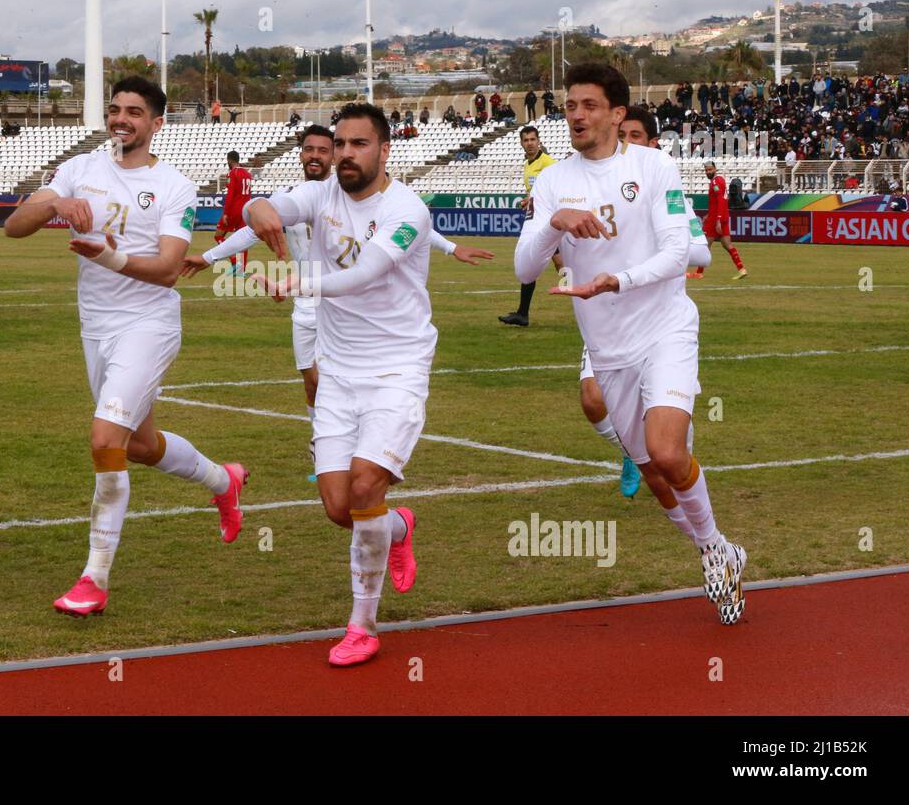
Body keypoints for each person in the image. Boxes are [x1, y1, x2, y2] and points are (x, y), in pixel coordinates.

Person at [3, 76, 247, 617]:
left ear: (156, 124)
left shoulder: (175, 186)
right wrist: (56, 203)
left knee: (104, 438)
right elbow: (13, 227)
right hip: (96, 327)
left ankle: (94, 577)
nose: (121, 120)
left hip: (148, 325)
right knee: (139, 444)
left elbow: (166, 271)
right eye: (115, 110)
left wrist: (109, 258)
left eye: (134, 112)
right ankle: (222, 480)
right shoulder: (80, 169)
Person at [517, 62, 747, 625]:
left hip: (665, 327)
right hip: (606, 348)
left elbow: (679, 253)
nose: (576, 114)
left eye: (589, 105)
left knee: (669, 451)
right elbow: (524, 264)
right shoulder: (551, 182)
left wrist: (616, 279)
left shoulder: (654, 165)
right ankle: (714, 552)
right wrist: (556, 223)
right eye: (570, 105)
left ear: (618, 115)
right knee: (652, 472)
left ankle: (716, 547)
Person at [244, 102, 435, 666]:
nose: (347, 154)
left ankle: (362, 625)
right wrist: (258, 208)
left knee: (363, 488)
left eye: (359, 144)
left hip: (397, 368)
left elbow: (365, 273)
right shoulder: (321, 193)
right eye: (341, 144)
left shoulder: (407, 209)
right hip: (338, 372)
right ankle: (398, 529)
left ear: (383, 149)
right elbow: (273, 204)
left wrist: (297, 282)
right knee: (337, 506)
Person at [186, 126, 490, 469]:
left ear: (334, 156)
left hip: (344, 302)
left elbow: (416, 225)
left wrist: (451, 247)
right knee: (311, 381)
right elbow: (252, 226)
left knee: (335, 378)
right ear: (300, 154)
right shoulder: (298, 197)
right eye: (309, 149)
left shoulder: (359, 198)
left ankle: (361, 446)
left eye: (323, 150)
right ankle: (326, 445)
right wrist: (212, 253)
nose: (315, 156)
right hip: (306, 303)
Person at [578, 106, 712, 502]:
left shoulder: (665, 191)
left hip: (655, 318)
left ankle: (670, 468)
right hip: (607, 318)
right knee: (591, 399)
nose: (626, 144)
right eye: (623, 135)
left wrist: (650, 259)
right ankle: (629, 453)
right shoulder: (592, 186)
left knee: (667, 442)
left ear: (652, 145)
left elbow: (701, 252)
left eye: (635, 136)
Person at [499, 125, 558, 327]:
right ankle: (522, 313)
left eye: (533, 139)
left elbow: (555, 190)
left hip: (547, 221)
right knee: (557, 264)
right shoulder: (528, 164)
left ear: (539, 141)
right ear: (521, 143)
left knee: (535, 260)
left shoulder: (549, 163)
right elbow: (535, 191)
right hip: (540, 220)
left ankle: (586, 300)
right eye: (526, 140)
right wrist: (528, 199)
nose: (530, 143)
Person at [688, 161, 749, 280]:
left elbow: (721, 200)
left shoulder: (715, 182)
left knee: (704, 245)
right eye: (706, 170)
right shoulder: (719, 181)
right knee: (727, 244)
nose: (708, 172)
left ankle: (699, 273)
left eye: (710, 170)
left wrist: (718, 220)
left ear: (715, 169)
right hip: (721, 216)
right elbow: (719, 202)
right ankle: (741, 269)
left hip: (716, 219)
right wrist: (710, 214)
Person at [215, 151, 253, 273]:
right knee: (243, 240)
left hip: (234, 210)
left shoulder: (233, 173)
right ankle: (242, 270)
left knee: (218, 235)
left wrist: (226, 213)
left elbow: (231, 195)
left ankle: (233, 261)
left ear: (230, 160)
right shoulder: (247, 174)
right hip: (245, 211)